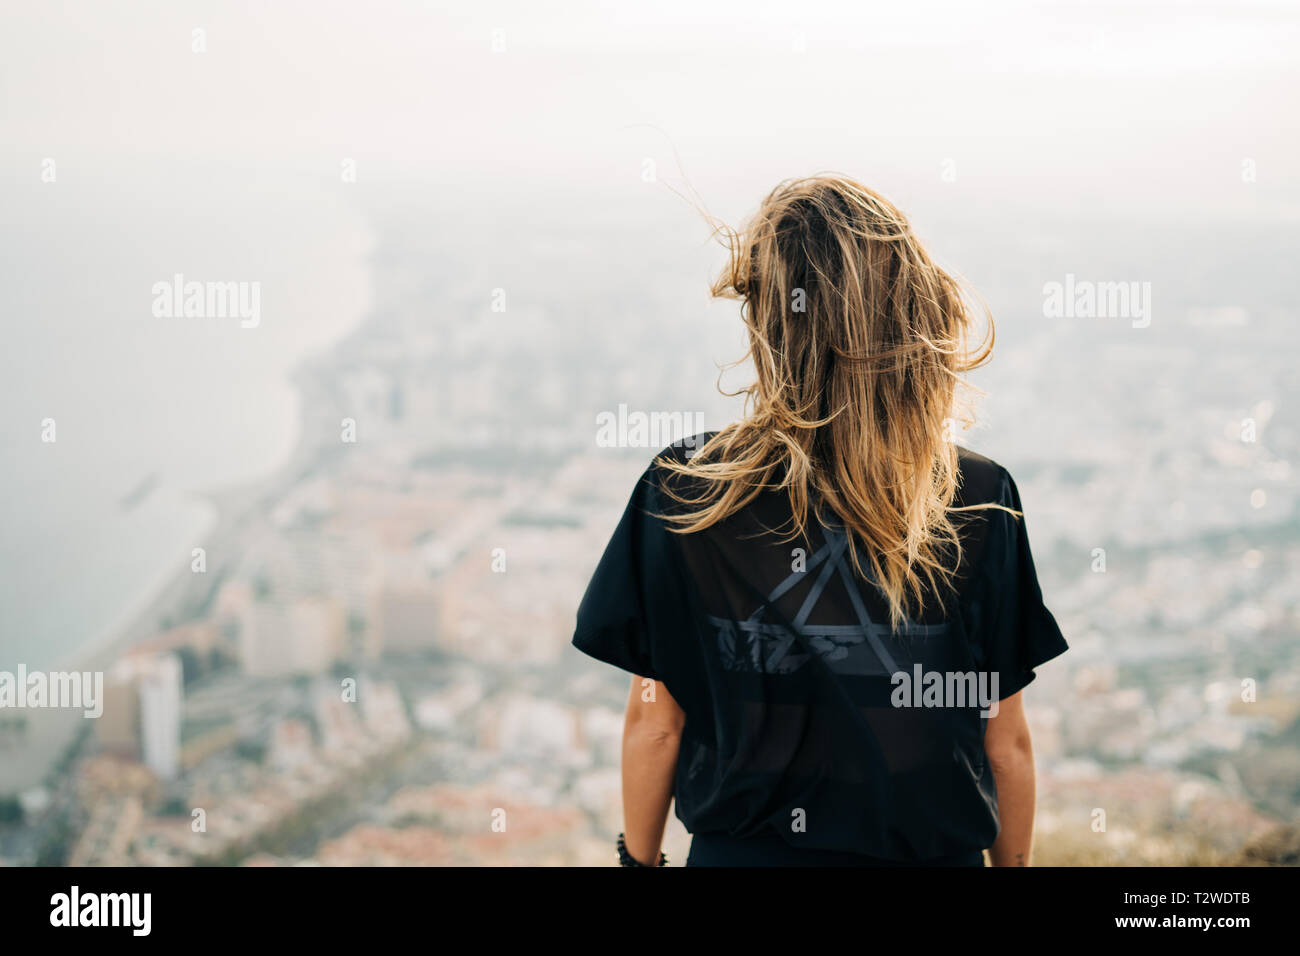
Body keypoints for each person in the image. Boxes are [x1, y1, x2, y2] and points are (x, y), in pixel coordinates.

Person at [573, 175, 1068, 867]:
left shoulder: (688, 488)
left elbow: (656, 721)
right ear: (911, 315)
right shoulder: (975, 495)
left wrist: (639, 861)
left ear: (767, 320)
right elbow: (1005, 739)